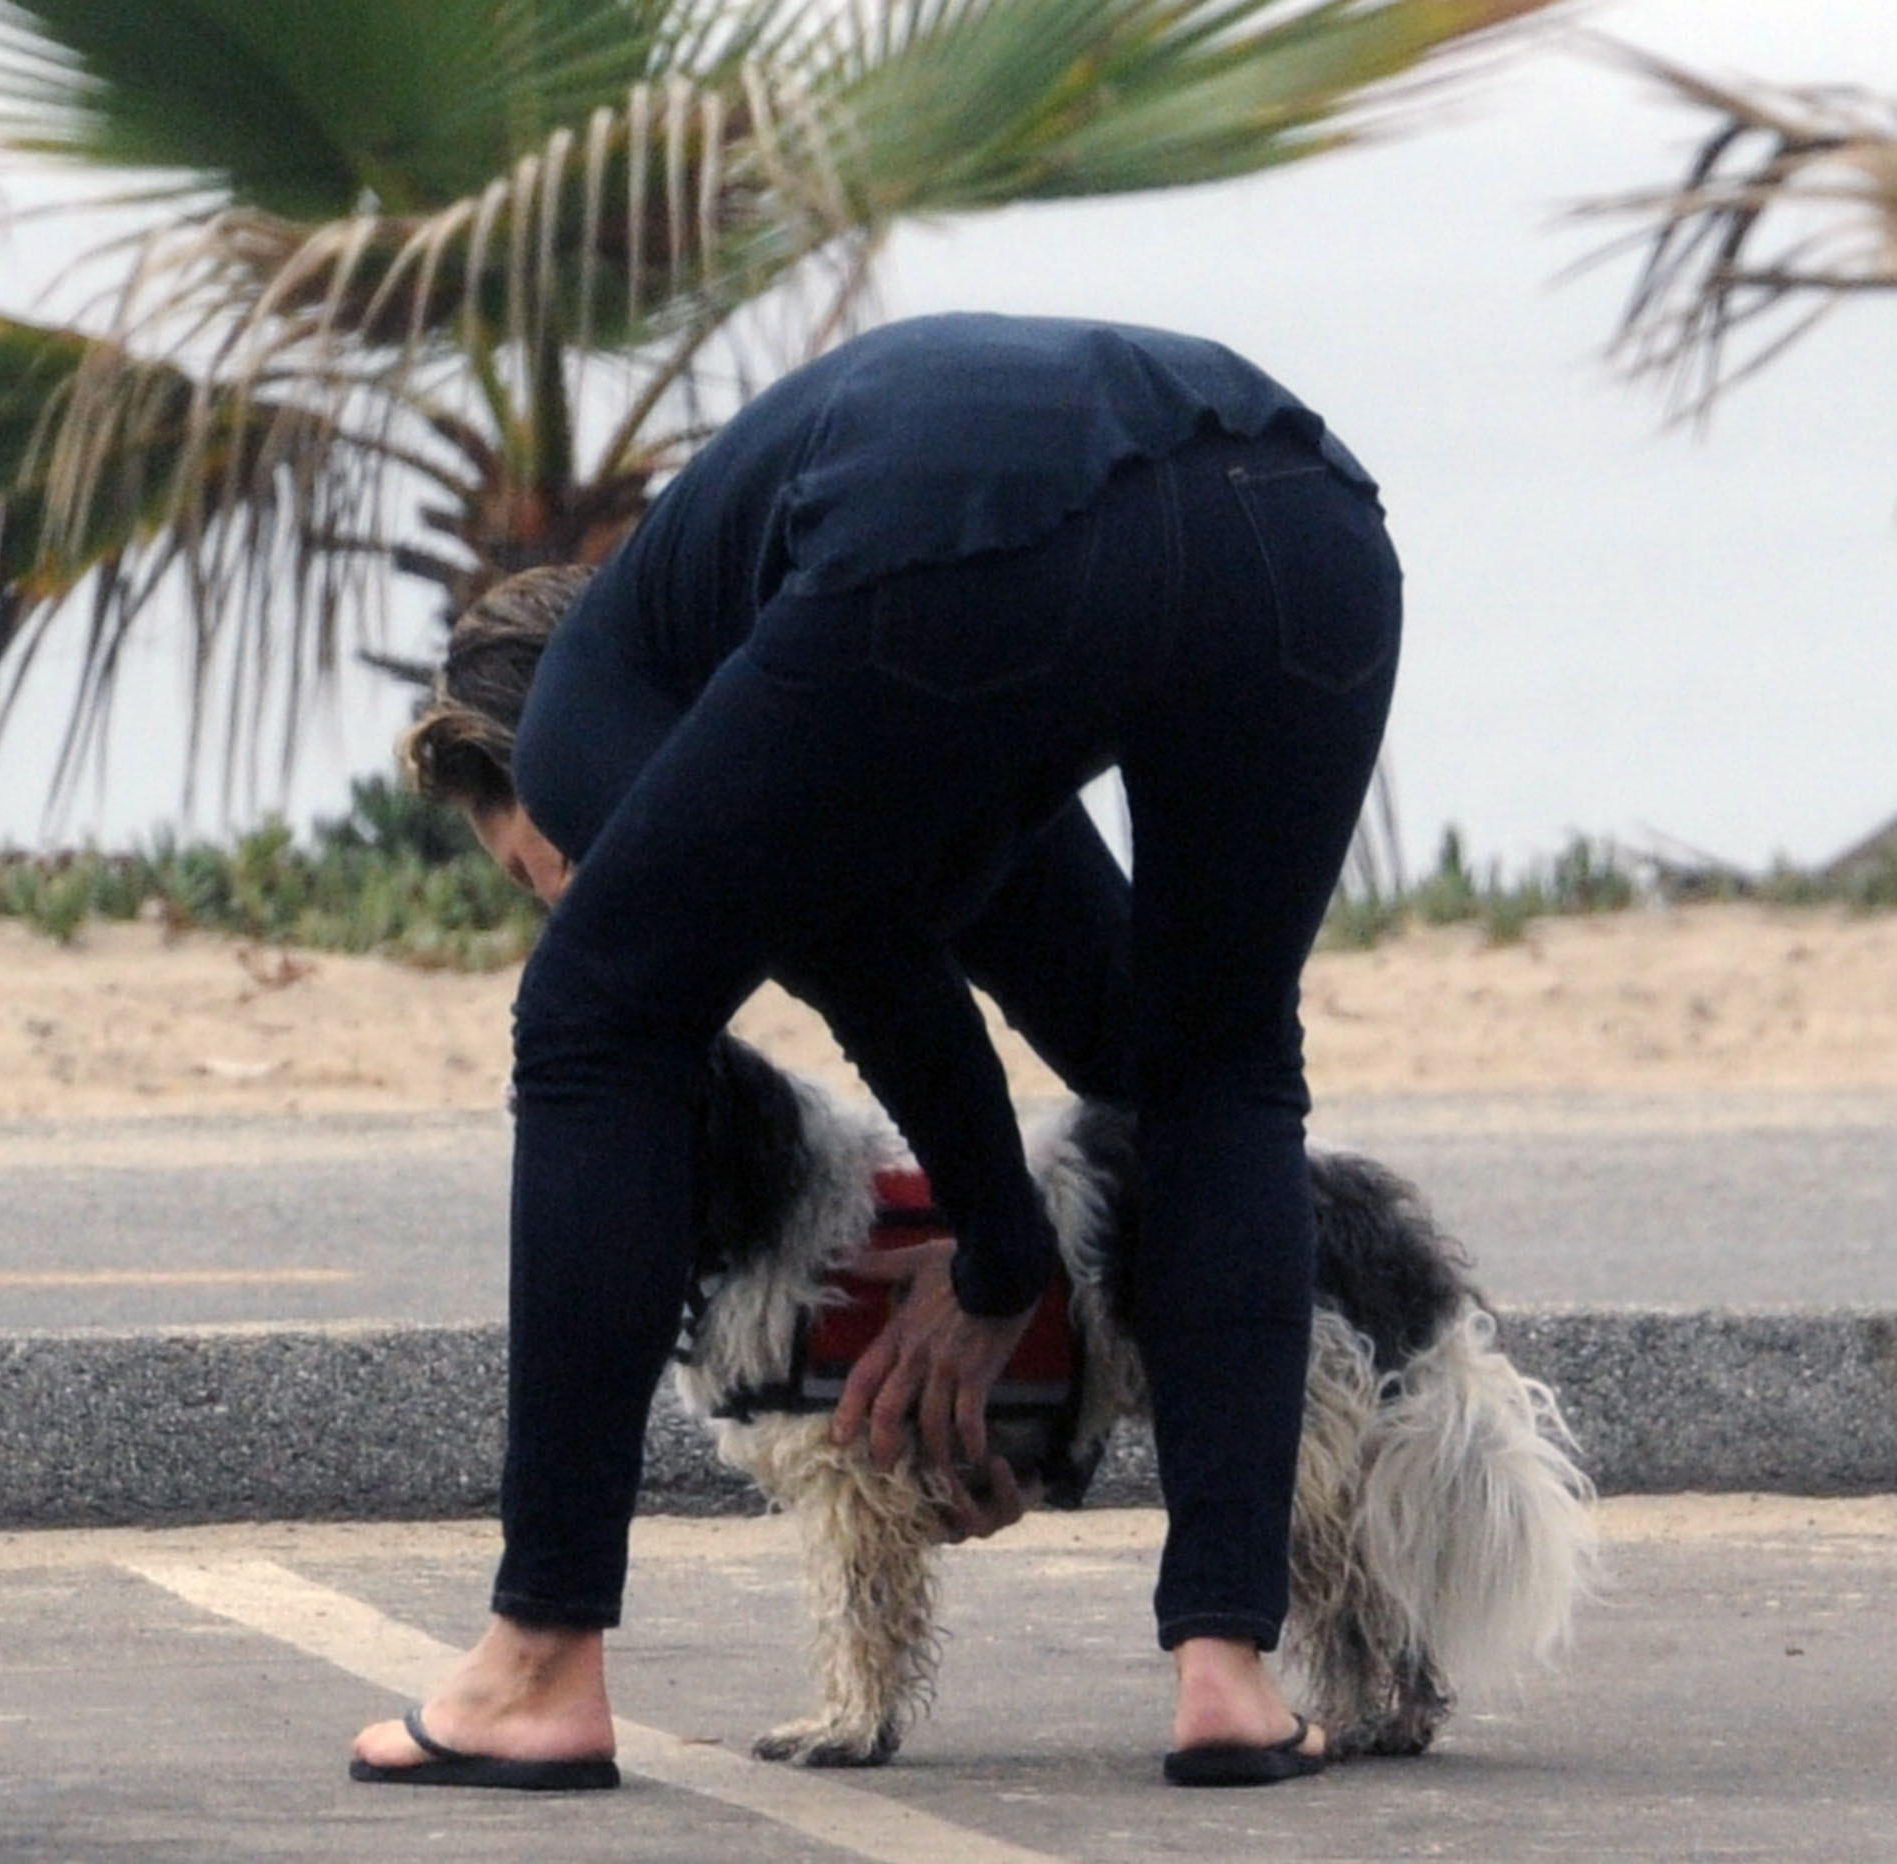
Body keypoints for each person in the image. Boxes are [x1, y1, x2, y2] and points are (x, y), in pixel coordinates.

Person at [352, 312, 1401, 1791]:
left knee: (594, 1019)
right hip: (1301, 520)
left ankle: (534, 1665)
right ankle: (1228, 1675)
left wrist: (1001, 1260)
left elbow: (864, 960)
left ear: (534, 771)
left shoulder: (589, 702)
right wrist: (1016, 1290)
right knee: (1207, 1066)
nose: (589, 887)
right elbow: (1037, 1003)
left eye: (549, 867)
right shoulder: (862, 686)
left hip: (969, 514)